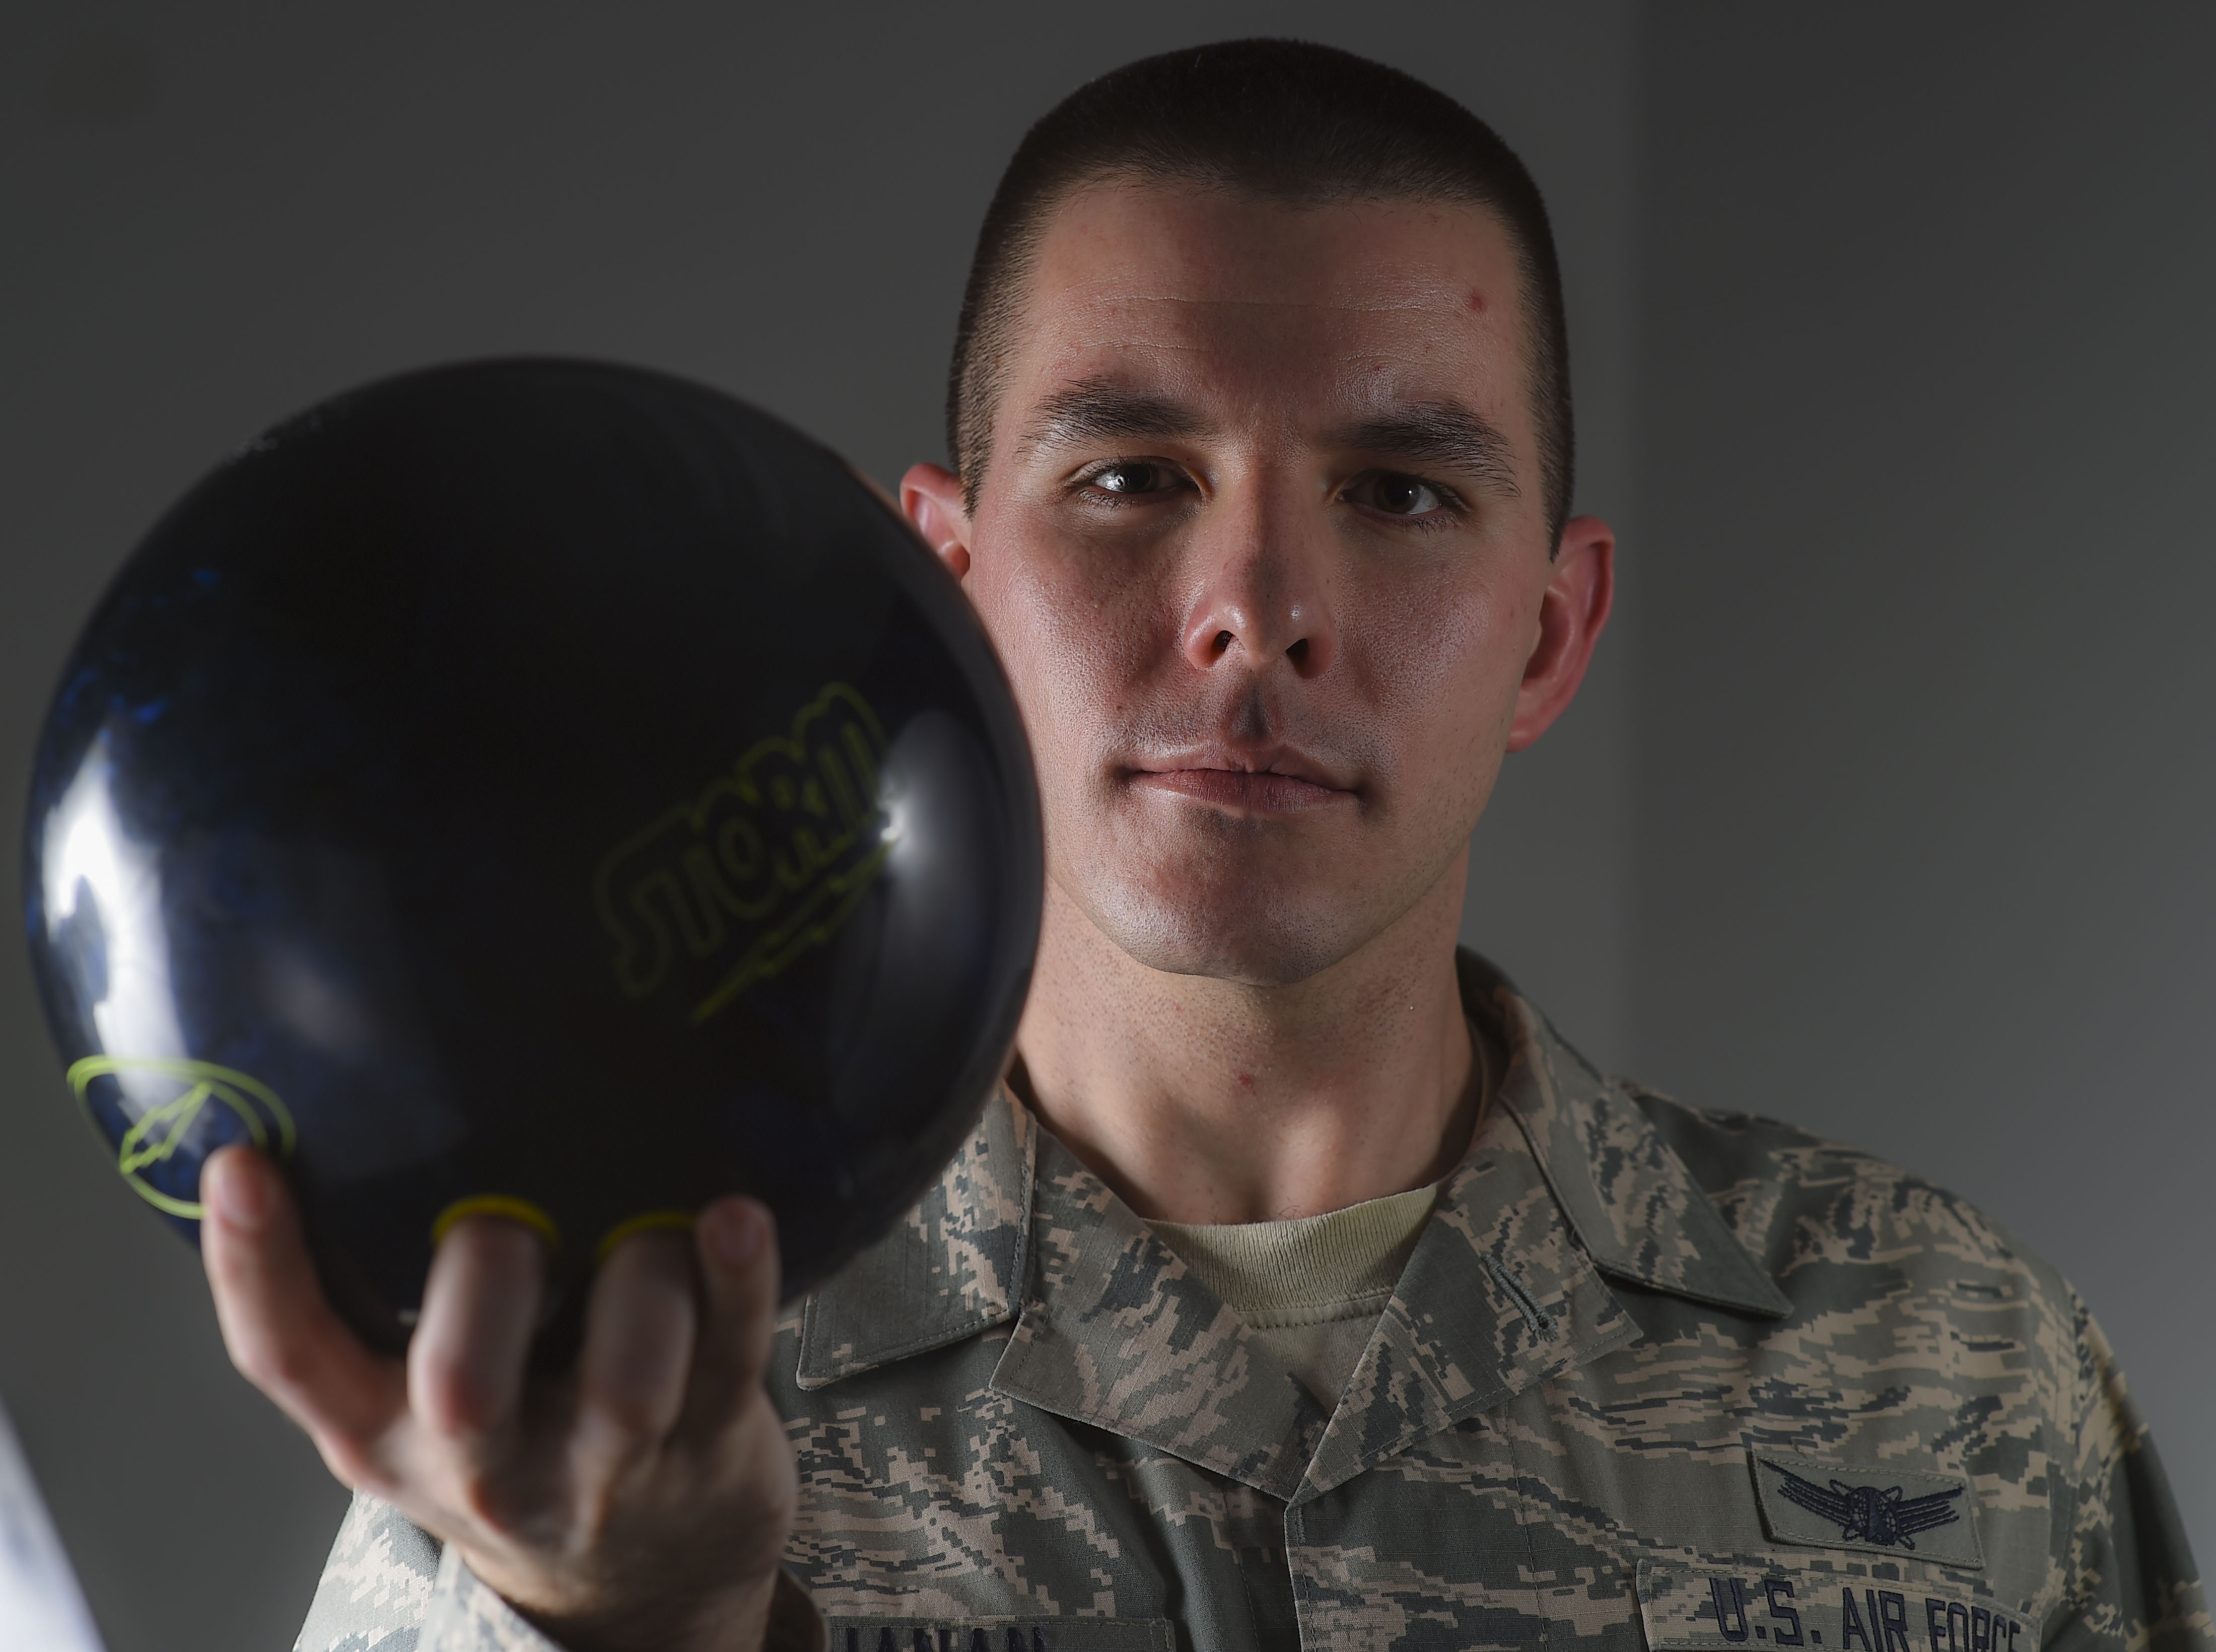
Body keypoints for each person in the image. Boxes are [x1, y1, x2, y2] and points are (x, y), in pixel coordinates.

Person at [202, 39, 2206, 1652]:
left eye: (1398, 491)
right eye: (1132, 475)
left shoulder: (1945, 1366)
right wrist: (637, 1632)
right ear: (943, 598)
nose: (1254, 606)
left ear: (1548, 632)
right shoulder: (611, 1401)